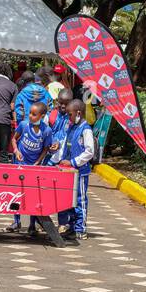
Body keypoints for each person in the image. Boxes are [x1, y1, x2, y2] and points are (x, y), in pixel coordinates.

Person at [9, 101, 59, 232]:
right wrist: (16, 151)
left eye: (34, 114)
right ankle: (16, 221)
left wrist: (38, 162)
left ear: (42, 116)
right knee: (17, 194)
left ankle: (32, 225)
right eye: (30, 113)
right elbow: (14, 139)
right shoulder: (24, 125)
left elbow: (46, 149)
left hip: (34, 167)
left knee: (32, 195)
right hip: (20, 164)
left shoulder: (47, 131)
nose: (30, 116)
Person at [54, 99, 97, 244]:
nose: (69, 118)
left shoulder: (86, 130)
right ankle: (72, 227)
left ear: (78, 113)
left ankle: (81, 229)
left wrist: (73, 162)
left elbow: (89, 152)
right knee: (70, 201)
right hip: (70, 172)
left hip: (80, 172)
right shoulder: (71, 127)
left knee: (80, 200)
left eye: (70, 115)